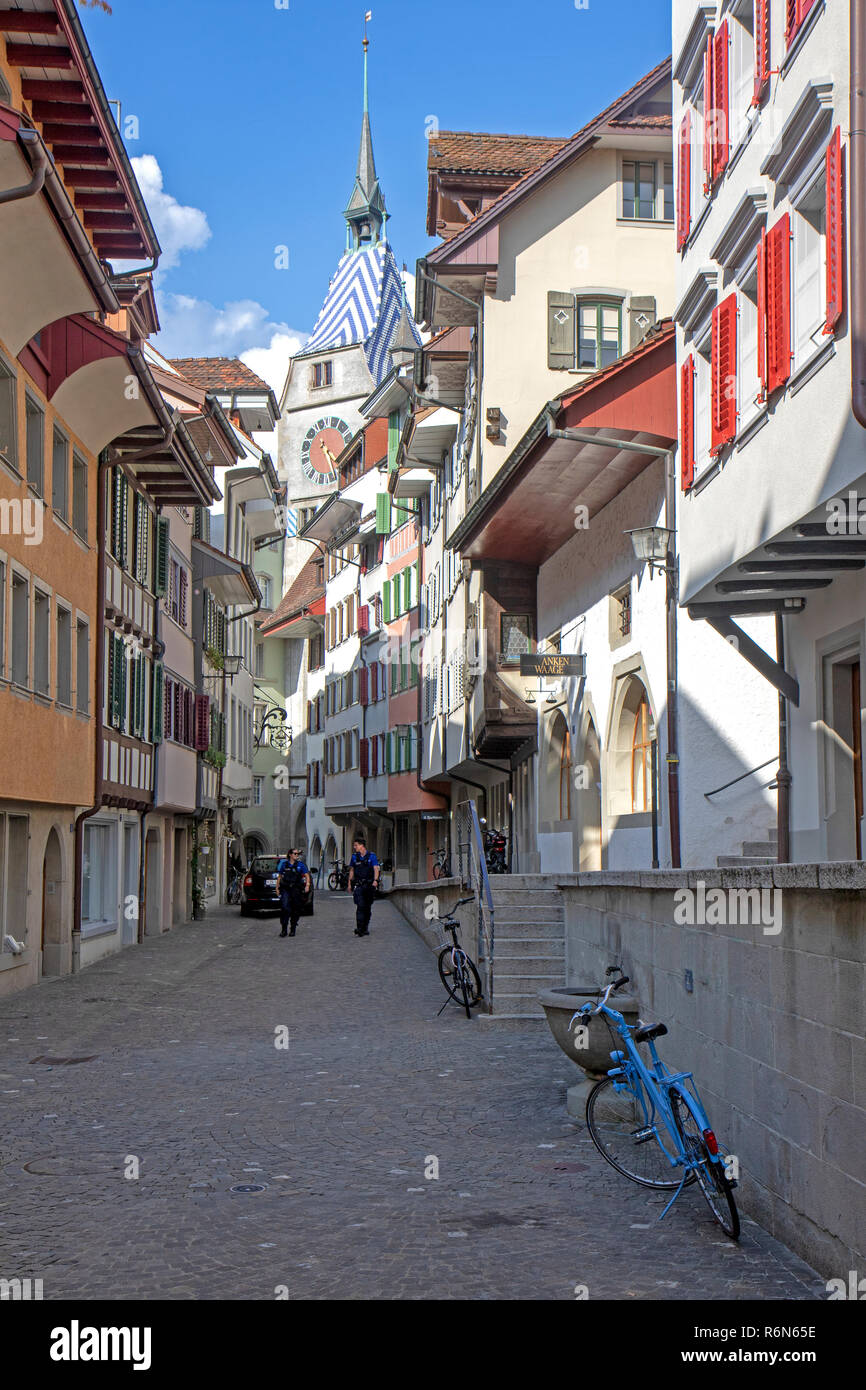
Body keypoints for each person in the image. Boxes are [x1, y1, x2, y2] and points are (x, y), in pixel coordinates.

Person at [347, 837, 380, 937]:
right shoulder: (354, 857)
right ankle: (360, 928)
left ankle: (365, 927)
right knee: (360, 906)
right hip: (359, 885)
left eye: (356, 845)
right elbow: (352, 870)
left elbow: (376, 869)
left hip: (369, 885)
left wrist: (375, 880)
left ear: (362, 845)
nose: (354, 847)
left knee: (367, 907)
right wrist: (349, 883)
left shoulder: (371, 856)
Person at [276, 848, 311, 938]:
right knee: (285, 907)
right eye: (295, 854)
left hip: (296, 889)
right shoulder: (284, 865)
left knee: (295, 909)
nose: (296, 855)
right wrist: (277, 888)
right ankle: (284, 929)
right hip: (286, 889)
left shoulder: (300, 865)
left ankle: (293, 928)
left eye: (297, 854)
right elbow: (279, 877)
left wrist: (307, 885)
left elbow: (307, 875)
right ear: (290, 855)